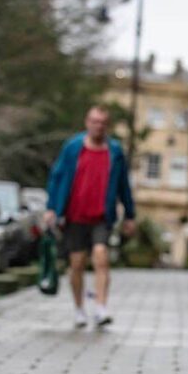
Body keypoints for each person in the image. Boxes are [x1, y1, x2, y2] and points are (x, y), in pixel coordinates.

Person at [44, 105, 136, 328]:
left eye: (103, 123)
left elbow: (124, 185)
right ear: (87, 123)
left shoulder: (114, 152)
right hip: (74, 215)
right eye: (94, 122)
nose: (98, 127)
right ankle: (79, 310)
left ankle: (101, 308)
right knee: (77, 264)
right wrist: (51, 208)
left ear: (108, 126)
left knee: (101, 256)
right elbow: (56, 177)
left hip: (102, 216)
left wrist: (130, 215)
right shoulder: (73, 147)